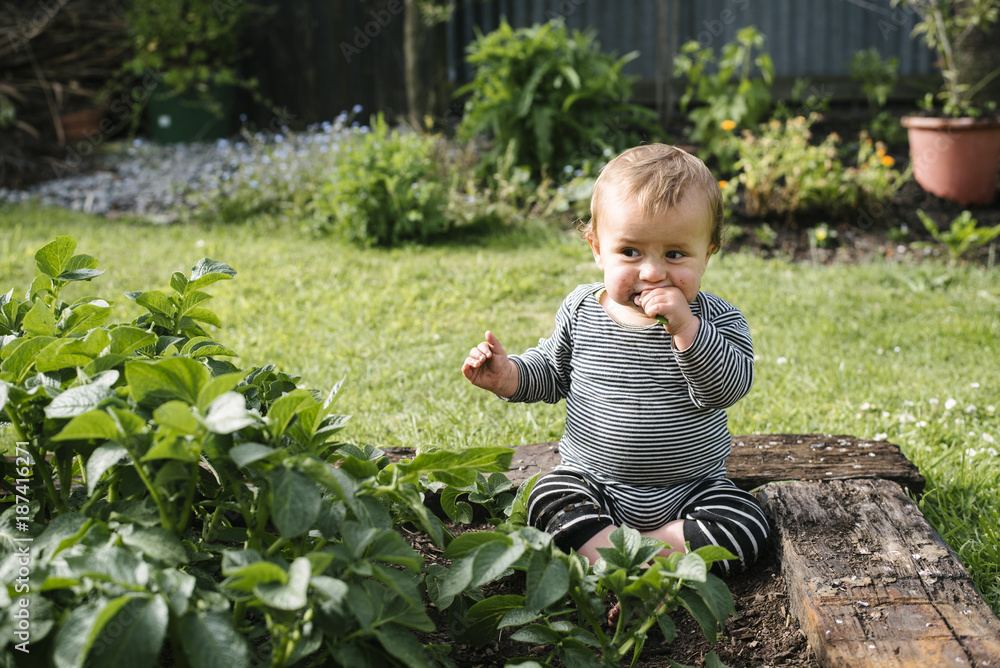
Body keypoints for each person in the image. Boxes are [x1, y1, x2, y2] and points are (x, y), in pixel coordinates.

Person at [461, 143, 769, 577]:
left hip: (691, 488)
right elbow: (552, 371)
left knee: (746, 524)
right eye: (630, 252)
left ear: (709, 251)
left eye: (675, 254)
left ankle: (629, 557)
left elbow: (727, 389)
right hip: (595, 485)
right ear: (597, 248)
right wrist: (508, 374)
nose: (652, 272)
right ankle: (648, 562)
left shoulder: (716, 319)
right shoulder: (583, 309)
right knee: (547, 499)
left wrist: (686, 330)